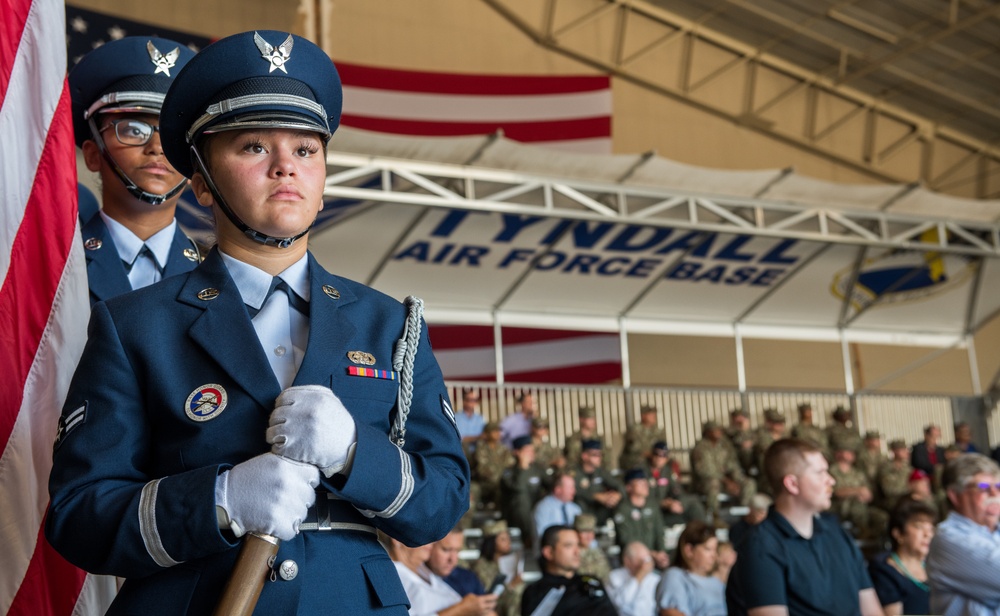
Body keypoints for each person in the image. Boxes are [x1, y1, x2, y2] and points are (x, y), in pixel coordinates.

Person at [46, 31, 470, 615]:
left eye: (305, 150)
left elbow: (441, 503)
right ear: (200, 184)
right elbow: (79, 516)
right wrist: (219, 500)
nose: (284, 168)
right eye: (251, 147)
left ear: (323, 184)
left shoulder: (389, 325)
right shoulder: (136, 325)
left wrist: (353, 453)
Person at [70, 36, 201, 305]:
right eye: (133, 130)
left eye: (171, 137)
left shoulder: (219, 276)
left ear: (194, 166)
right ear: (93, 154)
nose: (156, 147)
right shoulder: (56, 268)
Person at [726, 438, 882, 615]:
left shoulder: (837, 534)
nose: (831, 480)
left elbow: (871, 609)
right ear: (792, 484)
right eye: (820, 473)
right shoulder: (761, 547)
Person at [926, 453, 1000, 616]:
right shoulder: (948, 538)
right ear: (955, 495)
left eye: (999, 486)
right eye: (983, 487)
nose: (995, 494)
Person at [388, 535, 498, 616]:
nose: (431, 544)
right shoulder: (392, 578)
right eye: (423, 535)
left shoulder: (423, 570)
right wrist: (461, 609)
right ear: (397, 539)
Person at [520, 525, 616, 616]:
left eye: (578, 545)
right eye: (568, 545)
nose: (577, 551)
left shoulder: (591, 581)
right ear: (549, 552)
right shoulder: (535, 592)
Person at [868, 497, 936, 616]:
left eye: (930, 529)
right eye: (919, 527)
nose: (928, 534)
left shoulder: (933, 565)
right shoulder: (884, 572)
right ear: (898, 534)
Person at [690, 420, 756, 523]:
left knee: (749, 483)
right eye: (715, 430)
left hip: (726, 481)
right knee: (713, 484)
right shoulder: (700, 448)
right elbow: (704, 472)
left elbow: (732, 465)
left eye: (719, 430)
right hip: (704, 484)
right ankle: (715, 517)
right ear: (707, 432)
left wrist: (735, 480)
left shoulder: (725, 445)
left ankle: (745, 513)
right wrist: (727, 482)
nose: (719, 432)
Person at [655, 520, 726, 616]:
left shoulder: (716, 581)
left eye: (715, 550)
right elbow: (671, 612)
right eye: (708, 549)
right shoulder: (675, 576)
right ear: (689, 550)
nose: (714, 556)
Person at [612, 468, 669, 569]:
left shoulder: (652, 506)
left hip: (654, 560)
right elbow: (626, 539)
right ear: (629, 487)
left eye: (645, 482)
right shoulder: (622, 510)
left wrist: (661, 553)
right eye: (640, 482)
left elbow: (659, 532)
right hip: (632, 562)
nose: (645, 485)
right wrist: (652, 554)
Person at [645, 440, 705, 526]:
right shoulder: (641, 471)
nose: (659, 458)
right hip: (651, 513)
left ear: (667, 458)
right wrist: (663, 503)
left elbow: (678, 491)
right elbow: (639, 499)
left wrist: (678, 503)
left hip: (666, 510)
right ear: (651, 455)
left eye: (663, 455)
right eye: (656, 454)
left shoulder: (667, 472)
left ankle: (702, 534)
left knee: (694, 503)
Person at [500, 436, 545, 548]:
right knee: (521, 497)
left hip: (537, 509)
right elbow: (518, 487)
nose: (531, 453)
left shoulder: (538, 469)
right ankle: (529, 536)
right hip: (514, 514)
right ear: (517, 452)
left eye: (532, 450)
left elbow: (553, 485)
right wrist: (523, 468)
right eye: (527, 450)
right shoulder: (509, 472)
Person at [570, 439, 623, 525]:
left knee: (618, 502)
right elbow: (574, 490)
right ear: (585, 456)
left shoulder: (601, 472)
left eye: (600, 455)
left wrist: (617, 495)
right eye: (595, 455)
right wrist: (595, 496)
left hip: (600, 509)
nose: (599, 458)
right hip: (582, 510)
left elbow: (619, 485)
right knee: (579, 502)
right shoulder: (574, 473)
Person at [606, 541, 661, 616]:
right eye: (639, 560)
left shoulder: (655, 578)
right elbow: (620, 603)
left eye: (646, 560)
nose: (643, 565)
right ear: (627, 560)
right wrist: (638, 577)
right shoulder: (614, 577)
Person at [431, 528, 487, 597]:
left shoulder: (469, 579)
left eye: (457, 551)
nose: (453, 559)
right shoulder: (415, 578)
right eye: (446, 550)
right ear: (428, 546)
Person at [534, 472, 582, 544]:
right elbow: (542, 537)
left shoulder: (575, 509)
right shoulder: (543, 508)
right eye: (570, 488)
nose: (574, 491)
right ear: (558, 490)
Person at [475, 421, 514, 508]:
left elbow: (510, 466)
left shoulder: (504, 449)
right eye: (494, 431)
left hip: (502, 482)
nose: (498, 433)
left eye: (498, 431)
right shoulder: (481, 448)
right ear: (487, 434)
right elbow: (482, 469)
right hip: (486, 484)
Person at [619, 404, 662, 470]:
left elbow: (662, 446)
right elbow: (634, 448)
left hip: (652, 460)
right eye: (651, 414)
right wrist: (653, 454)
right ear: (643, 416)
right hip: (635, 461)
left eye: (654, 414)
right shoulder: (634, 430)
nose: (654, 416)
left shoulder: (658, 431)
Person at [878, 440, 914, 512]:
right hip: (893, 501)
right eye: (903, 450)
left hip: (908, 498)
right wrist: (910, 490)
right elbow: (889, 490)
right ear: (894, 451)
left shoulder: (907, 467)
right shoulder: (886, 468)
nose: (906, 452)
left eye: (906, 449)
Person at [574, 514, 612, 582]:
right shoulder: (572, 554)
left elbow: (606, 576)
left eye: (591, 531)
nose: (589, 536)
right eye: (584, 531)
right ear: (575, 533)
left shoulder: (597, 552)